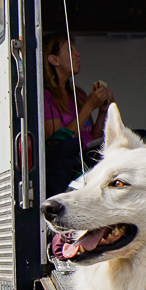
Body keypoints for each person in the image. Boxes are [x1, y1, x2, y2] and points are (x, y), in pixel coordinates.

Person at [42, 33, 112, 197]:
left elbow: (92, 136)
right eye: (70, 49)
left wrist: (102, 111)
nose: (77, 53)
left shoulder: (78, 94)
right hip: (70, 171)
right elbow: (58, 141)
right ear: (54, 60)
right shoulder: (46, 97)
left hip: (90, 163)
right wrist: (89, 106)